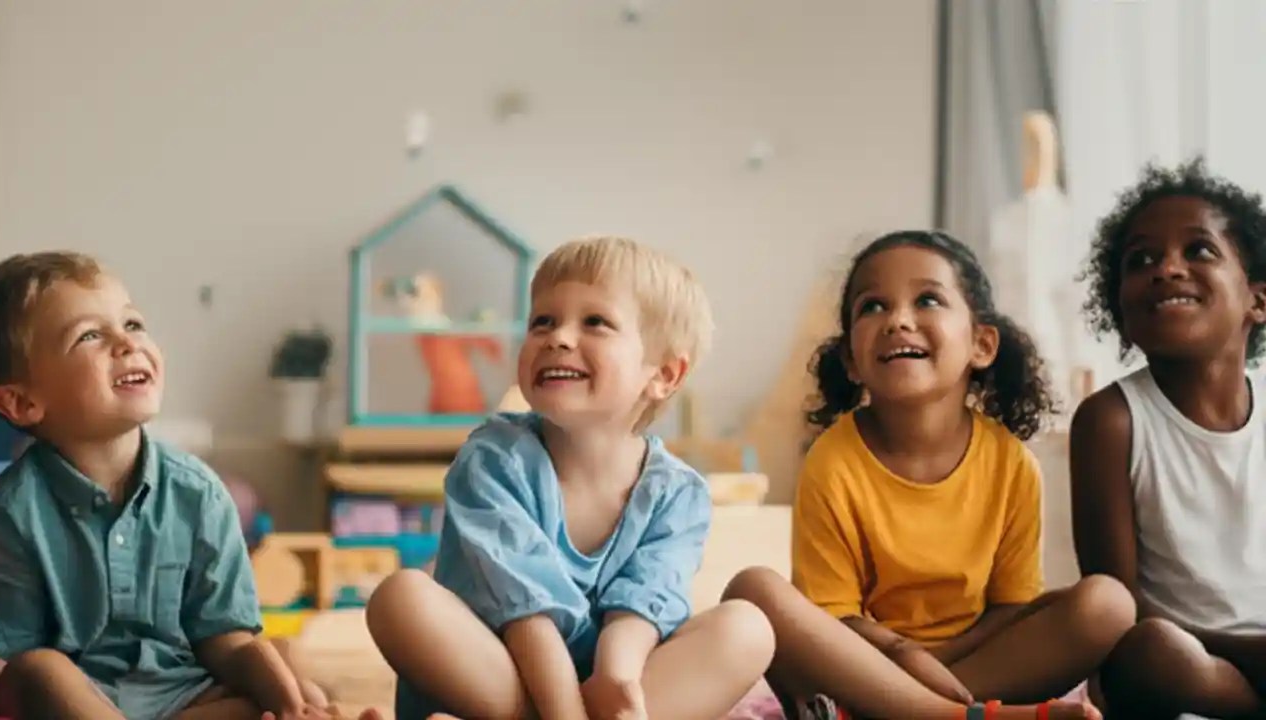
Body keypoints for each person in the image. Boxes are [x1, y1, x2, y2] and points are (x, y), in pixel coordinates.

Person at [724, 231, 1136, 720]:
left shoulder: (1011, 462)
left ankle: (907, 710)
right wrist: (902, 653)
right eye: (873, 306)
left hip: (967, 664)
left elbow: (1009, 609)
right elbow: (833, 618)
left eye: (927, 299)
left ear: (981, 344)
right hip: (863, 659)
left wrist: (926, 666)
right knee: (753, 590)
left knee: (1107, 605)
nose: (898, 319)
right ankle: (950, 714)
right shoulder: (832, 461)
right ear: (851, 362)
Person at [365, 235, 775, 720]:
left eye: (595, 322)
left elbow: (645, 602)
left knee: (748, 628)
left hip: (605, 692)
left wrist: (617, 679)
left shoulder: (679, 494)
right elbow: (526, 613)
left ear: (663, 374)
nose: (557, 337)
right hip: (499, 677)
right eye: (543, 321)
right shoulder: (493, 459)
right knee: (401, 597)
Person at [0, 252, 377, 720]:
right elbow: (1, 666)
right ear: (23, 402)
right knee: (42, 670)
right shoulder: (8, 513)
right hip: (76, 704)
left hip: (185, 700)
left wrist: (282, 692)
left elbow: (224, 639)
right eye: (89, 335)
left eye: (132, 323)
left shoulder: (201, 493)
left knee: (282, 662)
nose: (126, 343)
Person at [1070, 159, 1266, 718]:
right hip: (1183, 662)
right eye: (1141, 260)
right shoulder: (1111, 419)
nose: (1166, 269)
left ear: (1258, 301)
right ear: (1121, 313)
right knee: (1150, 653)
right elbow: (1118, 608)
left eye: (1199, 250)